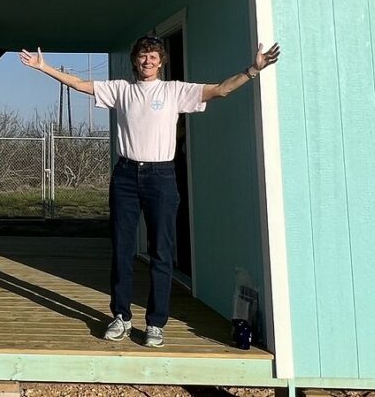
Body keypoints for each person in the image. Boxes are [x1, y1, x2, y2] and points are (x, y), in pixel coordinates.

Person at [20, 36, 280, 348]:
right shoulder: (121, 90)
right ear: (135, 60)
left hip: (161, 177)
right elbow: (78, 84)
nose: (148, 61)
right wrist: (45, 67)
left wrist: (253, 69)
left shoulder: (174, 91)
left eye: (154, 56)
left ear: (161, 61)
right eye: (143, 56)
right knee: (122, 249)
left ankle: (155, 324)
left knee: (161, 252)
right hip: (126, 176)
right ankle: (121, 317)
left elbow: (220, 90)